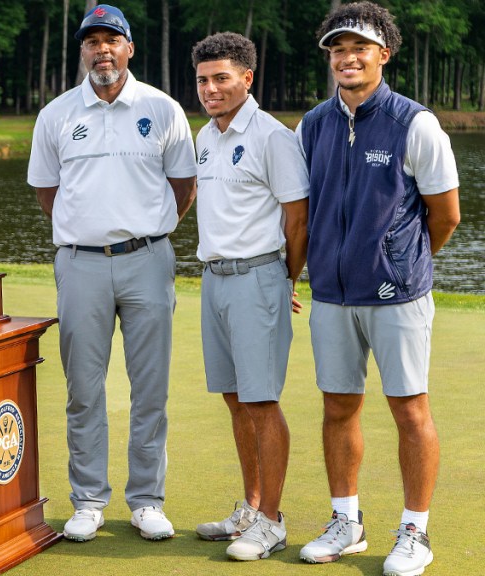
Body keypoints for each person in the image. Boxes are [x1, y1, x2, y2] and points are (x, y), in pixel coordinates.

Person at [296, 3, 460, 575]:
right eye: (338, 49)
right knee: (338, 407)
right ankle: (348, 522)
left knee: (409, 410)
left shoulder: (415, 123)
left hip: (397, 296)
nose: (347, 57)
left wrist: (401, 262)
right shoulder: (312, 124)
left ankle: (415, 531)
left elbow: (446, 215)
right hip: (332, 297)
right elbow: (302, 210)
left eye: (359, 48)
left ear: (383, 55)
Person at [27, 5, 197, 543]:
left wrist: (144, 231)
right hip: (79, 263)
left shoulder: (162, 108)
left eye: (112, 40)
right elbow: (46, 191)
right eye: (92, 41)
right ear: (82, 50)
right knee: (83, 389)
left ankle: (146, 499)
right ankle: (88, 499)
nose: (102, 50)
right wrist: (87, 229)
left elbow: (183, 187)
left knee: (150, 389)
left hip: (148, 260)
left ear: (129, 49)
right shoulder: (57, 114)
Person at [190, 32, 309, 561]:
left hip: (259, 278)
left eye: (220, 78)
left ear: (247, 79)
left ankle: (273, 522)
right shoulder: (205, 137)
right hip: (214, 279)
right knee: (235, 399)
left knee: (261, 401)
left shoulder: (272, 137)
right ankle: (252, 506)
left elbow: (297, 219)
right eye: (202, 80)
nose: (210, 89)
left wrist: (284, 280)